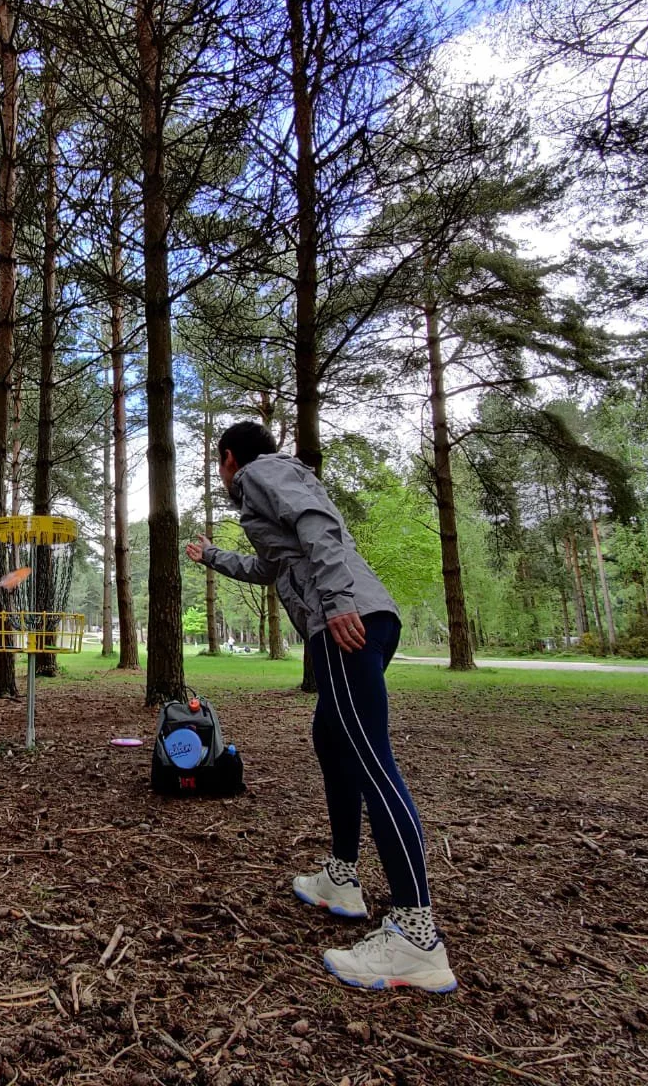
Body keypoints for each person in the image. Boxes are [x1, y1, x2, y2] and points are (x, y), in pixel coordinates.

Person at [186, 421, 455, 993]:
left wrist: (334, 603)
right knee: (332, 742)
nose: (221, 473)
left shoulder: (262, 472)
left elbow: (318, 527)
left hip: (346, 620)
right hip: (355, 617)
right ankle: (341, 877)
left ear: (228, 458)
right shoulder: (270, 484)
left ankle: (415, 936)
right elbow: (274, 566)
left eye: (219, 463)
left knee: (371, 761)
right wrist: (212, 556)